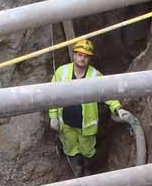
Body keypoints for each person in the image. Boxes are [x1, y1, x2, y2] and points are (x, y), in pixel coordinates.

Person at [48, 39, 132, 178]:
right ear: (74, 55)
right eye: (80, 55)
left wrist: (118, 108)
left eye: (86, 56)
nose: (82, 58)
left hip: (86, 126)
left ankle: (87, 168)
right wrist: (53, 116)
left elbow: (107, 94)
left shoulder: (95, 75)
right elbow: (50, 95)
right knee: (70, 148)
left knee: (88, 150)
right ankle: (76, 168)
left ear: (90, 59)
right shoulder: (61, 72)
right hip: (66, 124)